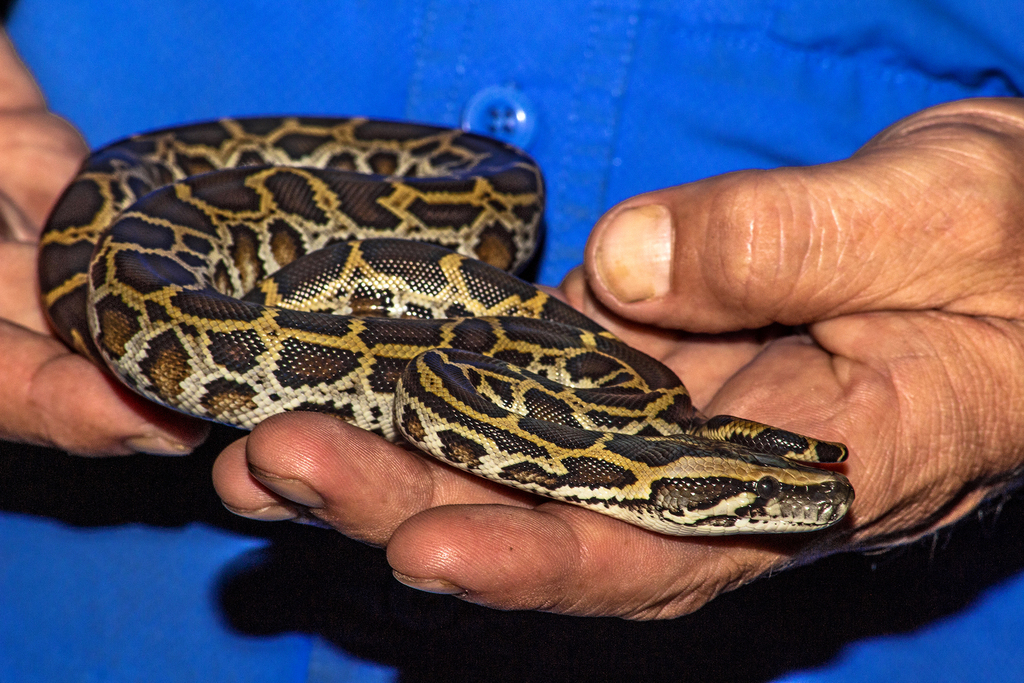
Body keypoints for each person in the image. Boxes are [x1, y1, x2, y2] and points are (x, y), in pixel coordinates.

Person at [2, 0, 1023, 677]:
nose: (788, 499)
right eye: (758, 490)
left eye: (760, 488)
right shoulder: (597, 406)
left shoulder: (597, 409)